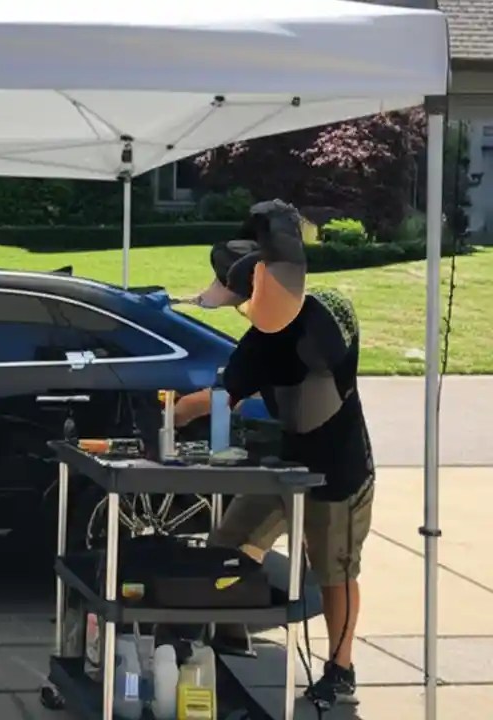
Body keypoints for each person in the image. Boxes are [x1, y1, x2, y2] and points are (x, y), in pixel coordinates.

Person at [173, 200, 375, 711]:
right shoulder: (271, 336)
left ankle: (341, 669)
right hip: (285, 467)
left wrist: (175, 412)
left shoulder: (310, 326)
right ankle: (228, 631)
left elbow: (220, 398)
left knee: (335, 571)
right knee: (230, 541)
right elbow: (224, 392)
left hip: (341, 470)